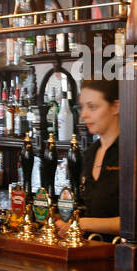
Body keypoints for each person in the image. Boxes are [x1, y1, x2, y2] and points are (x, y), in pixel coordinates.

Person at [55, 77, 120, 240]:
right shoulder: (91, 152)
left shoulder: (132, 152)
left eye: (92, 107)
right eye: (82, 107)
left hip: (122, 255)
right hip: (89, 250)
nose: (84, 115)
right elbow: (86, 207)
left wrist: (81, 223)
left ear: (115, 107)